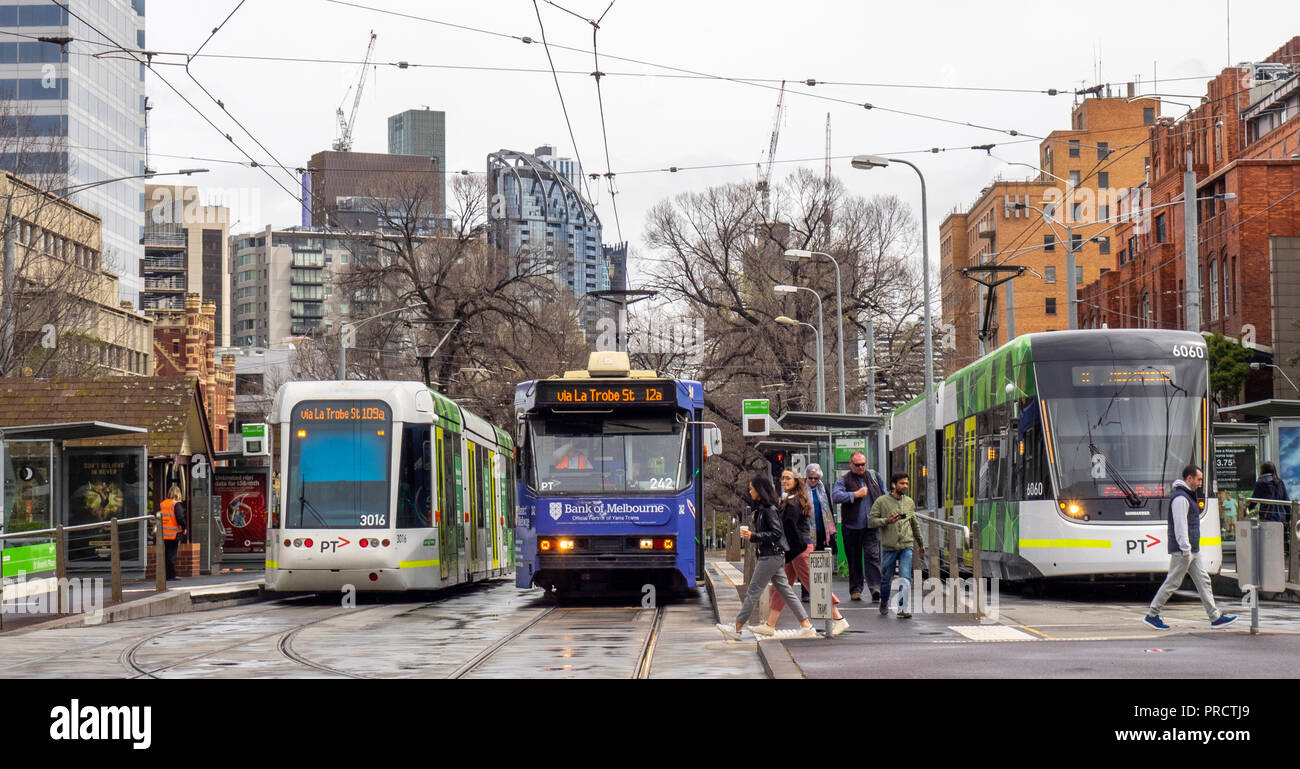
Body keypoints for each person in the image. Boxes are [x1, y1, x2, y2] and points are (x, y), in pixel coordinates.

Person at [716, 474, 817, 640]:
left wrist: (753, 536)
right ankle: (806, 625)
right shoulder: (765, 509)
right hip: (775, 555)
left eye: (752, 488)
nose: (750, 491)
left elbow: (777, 533)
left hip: (770, 556)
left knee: (753, 591)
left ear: (759, 490)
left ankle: (737, 627)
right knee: (785, 591)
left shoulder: (768, 510)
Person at [751, 469, 849, 638]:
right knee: (780, 587)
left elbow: (789, 527)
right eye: (782, 478)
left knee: (813, 584)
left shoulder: (793, 502)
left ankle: (839, 618)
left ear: (797, 481)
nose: (784, 481)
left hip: (799, 549)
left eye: (788, 478)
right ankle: (770, 624)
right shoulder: (789, 500)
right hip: (793, 550)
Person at [1144, 465, 1237, 630]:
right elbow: (1180, 525)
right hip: (1184, 551)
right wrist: (1185, 548)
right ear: (1189, 479)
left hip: (1192, 550)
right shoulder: (1181, 498)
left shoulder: (1187, 496)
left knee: (1203, 581)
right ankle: (1152, 614)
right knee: (1173, 582)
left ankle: (1215, 617)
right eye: (1199, 479)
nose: (1200, 482)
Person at [869, 472, 925, 618]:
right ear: (894, 485)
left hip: (907, 546)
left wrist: (920, 543)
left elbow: (914, 523)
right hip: (889, 547)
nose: (905, 486)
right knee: (886, 578)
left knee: (905, 577)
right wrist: (887, 521)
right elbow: (872, 521)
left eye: (907, 483)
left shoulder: (909, 502)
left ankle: (902, 608)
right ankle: (884, 601)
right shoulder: (881, 501)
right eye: (902, 483)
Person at [832, 451, 884, 601]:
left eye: (863, 464)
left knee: (872, 556)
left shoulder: (875, 477)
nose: (861, 467)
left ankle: (875, 588)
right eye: (857, 465)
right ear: (851, 464)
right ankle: (856, 589)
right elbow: (836, 496)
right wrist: (854, 495)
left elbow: (885, 494)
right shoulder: (844, 480)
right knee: (854, 559)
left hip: (871, 525)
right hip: (852, 527)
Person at [160, 485, 187, 581]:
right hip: (174, 533)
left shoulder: (163, 504)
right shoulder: (176, 504)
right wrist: (184, 527)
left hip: (164, 533)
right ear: (178, 494)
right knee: (172, 555)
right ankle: (171, 575)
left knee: (167, 554)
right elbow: (180, 518)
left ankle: (167, 575)